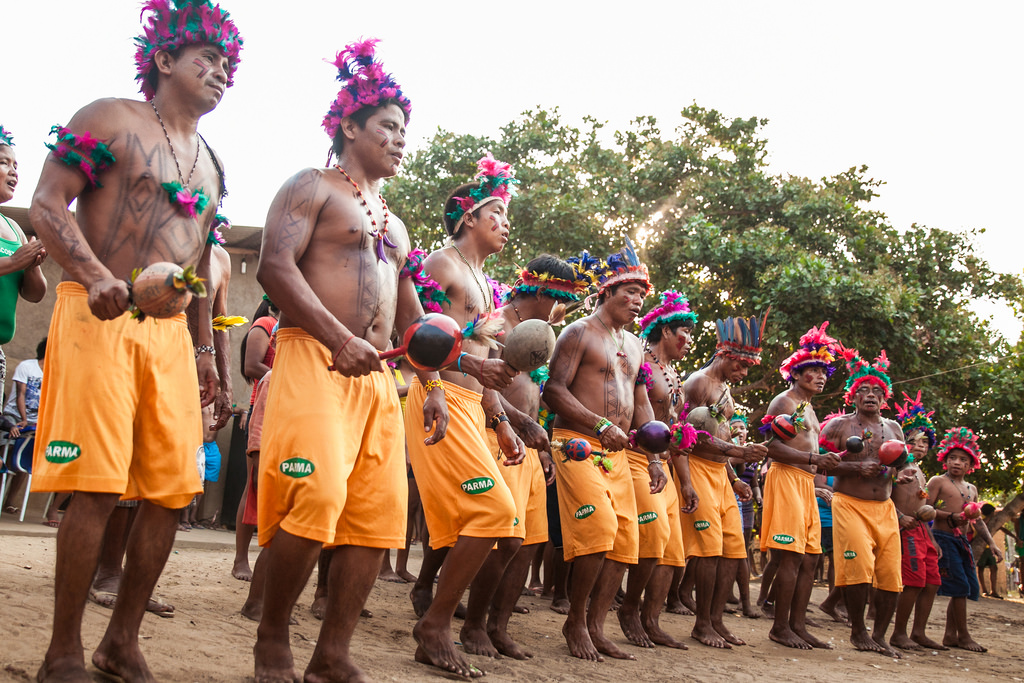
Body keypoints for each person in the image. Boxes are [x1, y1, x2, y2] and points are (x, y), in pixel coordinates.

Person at [28, 2, 240, 680]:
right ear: (164, 59)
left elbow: (202, 262)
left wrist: (208, 354)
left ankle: (121, 641)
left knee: (173, 490)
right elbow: (45, 201)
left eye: (227, 63)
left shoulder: (211, 163)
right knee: (94, 486)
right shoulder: (108, 117)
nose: (220, 71)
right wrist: (92, 274)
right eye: (206, 58)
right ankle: (62, 647)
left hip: (172, 338)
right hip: (98, 315)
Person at [253, 39, 448, 683]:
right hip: (316, 360)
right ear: (350, 127)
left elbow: (414, 318)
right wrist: (338, 336)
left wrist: (436, 383)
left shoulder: (397, 227)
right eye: (388, 127)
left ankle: (332, 654)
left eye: (404, 130)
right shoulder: (309, 186)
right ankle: (272, 642)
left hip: (380, 382)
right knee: (314, 499)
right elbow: (275, 268)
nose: (399, 139)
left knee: (374, 521)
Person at [403, 153, 523, 678]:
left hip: (474, 409)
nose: (504, 223)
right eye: (495, 212)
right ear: (468, 216)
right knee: (496, 512)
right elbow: (414, 337)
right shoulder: (442, 265)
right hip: (439, 400)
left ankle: (433, 614)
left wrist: (500, 420)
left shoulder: (487, 283)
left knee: (490, 519)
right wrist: (430, 386)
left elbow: (489, 364)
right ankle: (434, 624)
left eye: (506, 215)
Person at [542, 241, 668, 662]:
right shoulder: (578, 332)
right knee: (598, 529)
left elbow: (642, 402)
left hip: (618, 453)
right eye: (629, 292)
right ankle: (574, 619)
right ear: (607, 293)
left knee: (625, 538)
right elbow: (553, 391)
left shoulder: (634, 345)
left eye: (642, 294)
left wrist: (652, 453)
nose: (637, 301)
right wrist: (598, 424)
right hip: (576, 444)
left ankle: (596, 625)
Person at [473, 255, 588, 659]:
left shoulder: (542, 332)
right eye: (562, 299)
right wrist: (517, 423)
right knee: (499, 538)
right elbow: (483, 383)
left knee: (527, 543)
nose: (564, 309)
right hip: (493, 435)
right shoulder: (496, 322)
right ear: (542, 292)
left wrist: (541, 447)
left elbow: (535, 393)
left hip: (528, 446)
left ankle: (498, 627)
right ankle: (471, 625)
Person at [677, 312, 769, 648]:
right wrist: (687, 482)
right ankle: (702, 624)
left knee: (734, 551)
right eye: (740, 365)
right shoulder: (699, 382)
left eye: (747, 368)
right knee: (709, 551)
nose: (743, 372)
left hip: (719, 475)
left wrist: (733, 477)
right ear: (724, 355)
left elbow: (720, 433)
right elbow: (686, 435)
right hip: (698, 470)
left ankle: (716, 620)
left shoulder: (725, 389)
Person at [618, 290, 699, 649]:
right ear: (665, 330)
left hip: (663, 465)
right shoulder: (639, 360)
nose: (689, 340)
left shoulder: (674, 374)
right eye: (684, 331)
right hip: (636, 460)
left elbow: (674, 434)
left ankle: (651, 620)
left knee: (671, 550)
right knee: (650, 541)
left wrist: (686, 483)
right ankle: (629, 611)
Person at [759, 322, 842, 649]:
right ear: (795, 373)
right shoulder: (785, 402)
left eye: (824, 371)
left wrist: (824, 463)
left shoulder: (809, 408)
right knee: (791, 557)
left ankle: (797, 625)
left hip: (806, 484)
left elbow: (810, 451)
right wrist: (813, 461)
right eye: (813, 370)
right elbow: (772, 448)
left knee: (810, 559)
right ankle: (780, 627)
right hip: (786, 480)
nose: (821, 376)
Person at [818, 347, 903, 657]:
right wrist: (855, 467)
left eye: (877, 391)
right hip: (849, 504)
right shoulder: (837, 427)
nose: (871, 394)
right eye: (864, 390)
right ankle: (858, 632)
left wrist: (902, 475)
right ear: (852, 397)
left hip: (885, 508)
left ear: (885, 398)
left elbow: (904, 464)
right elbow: (821, 464)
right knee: (859, 566)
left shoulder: (894, 429)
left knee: (891, 574)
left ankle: (881, 635)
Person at [926, 426, 999, 652]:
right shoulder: (938, 481)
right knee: (959, 586)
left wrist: (992, 543)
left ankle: (950, 635)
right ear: (945, 460)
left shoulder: (971, 489)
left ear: (970, 465)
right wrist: (951, 517)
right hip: (942, 537)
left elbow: (977, 520)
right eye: (953, 458)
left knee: (967, 587)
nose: (957, 462)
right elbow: (924, 511)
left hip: (962, 542)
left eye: (962, 460)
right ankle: (964, 636)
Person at [887, 391, 947, 651]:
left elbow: (923, 505)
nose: (921, 446)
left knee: (932, 582)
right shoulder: (896, 464)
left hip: (923, 532)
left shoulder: (921, 471)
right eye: (915, 441)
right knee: (913, 582)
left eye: (925, 442)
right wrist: (900, 517)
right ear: (903, 440)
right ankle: (899, 633)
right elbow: (883, 495)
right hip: (904, 529)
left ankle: (918, 632)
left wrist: (932, 537)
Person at [0, 126, 47, 402]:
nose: (14, 171)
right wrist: (15, 260)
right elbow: (12, 262)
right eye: (4, 162)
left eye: (16, 165)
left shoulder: (14, 229)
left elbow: (34, 294)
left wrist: (31, 265)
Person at [233, 296, 278, 580]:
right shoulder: (265, 324)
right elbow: (251, 367)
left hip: (289, 408)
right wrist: (287, 377)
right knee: (252, 486)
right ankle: (240, 560)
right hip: (263, 406)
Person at [1, 337, 47, 515]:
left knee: (23, 460)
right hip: (14, 417)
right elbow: (21, 393)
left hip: (35, 423)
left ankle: (9, 502)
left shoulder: (55, 373)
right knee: (6, 453)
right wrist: (25, 418)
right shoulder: (27, 366)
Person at [728, 414, 761, 618]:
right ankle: (735, 598)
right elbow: (728, 463)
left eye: (743, 427)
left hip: (743, 501)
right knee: (730, 550)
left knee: (742, 549)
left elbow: (750, 478)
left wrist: (757, 496)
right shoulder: (727, 447)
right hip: (727, 495)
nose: (740, 431)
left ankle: (743, 599)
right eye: (736, 427)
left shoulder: (747, 451)